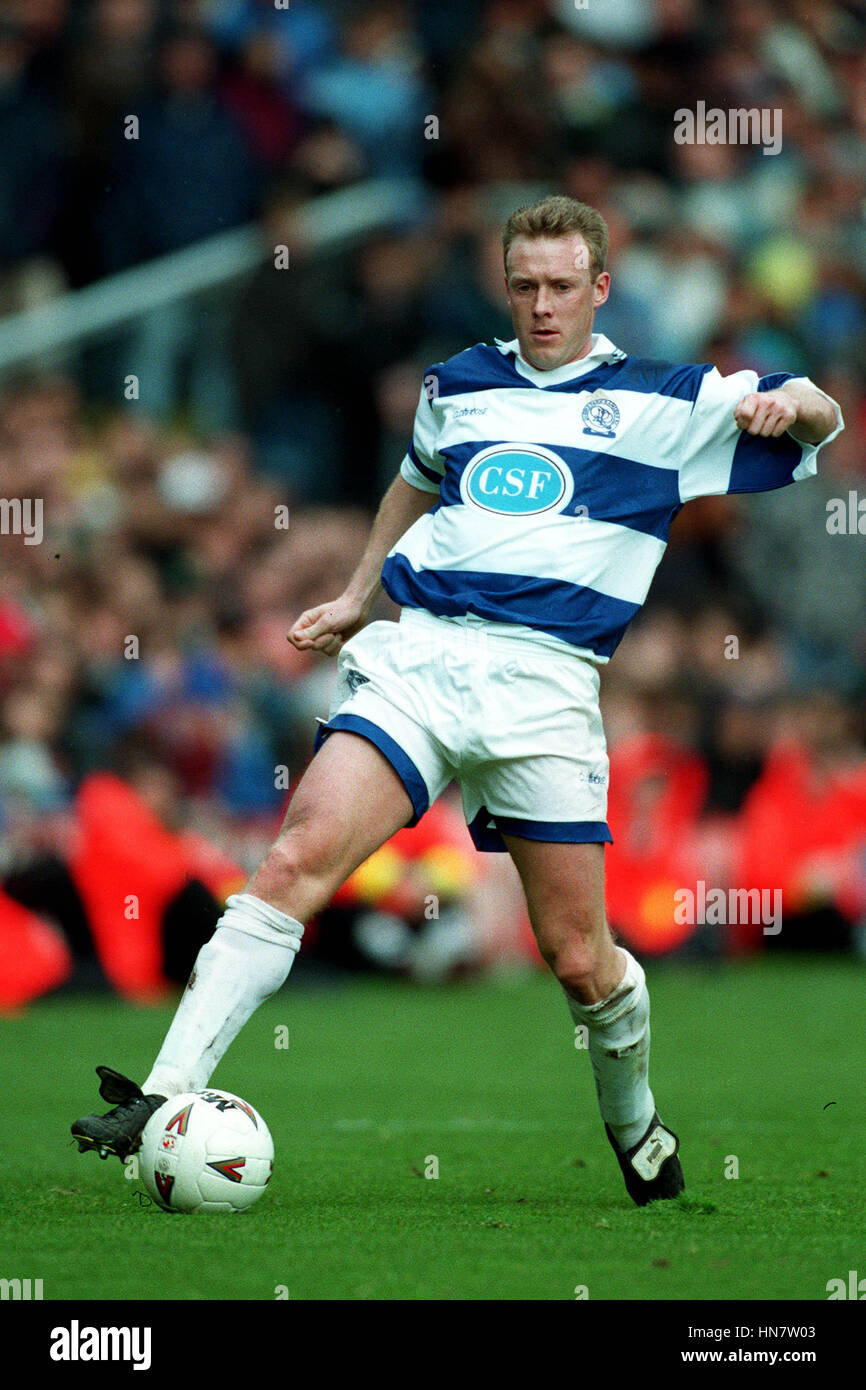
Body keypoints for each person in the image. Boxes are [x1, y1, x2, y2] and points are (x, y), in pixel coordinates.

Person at [71, 195, 843, 1206]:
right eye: (522, 284)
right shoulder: (460, 381)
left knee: (577, 960)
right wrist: (357, 595)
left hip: (547, 686)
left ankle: (634, 1122)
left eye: (560, 285)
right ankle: (164, 1093)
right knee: (296, 852)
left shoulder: (666, 401)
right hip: (420, 660)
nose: (539, 304)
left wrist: (792, 406)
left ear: (599, 287)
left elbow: (816, 412)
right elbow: (413, 479)